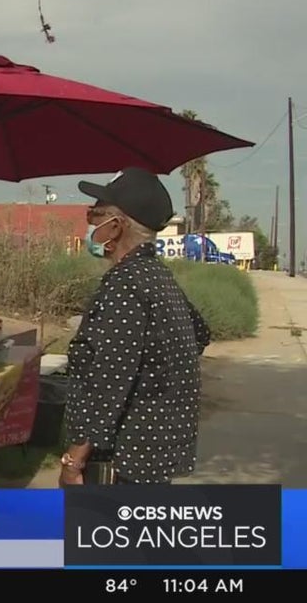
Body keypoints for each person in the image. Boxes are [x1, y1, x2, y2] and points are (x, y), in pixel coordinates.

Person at [60, 168, 211, 486]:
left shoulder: (126, 283)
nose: (89, 223)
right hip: (154, 449)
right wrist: (158, 380)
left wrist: (74, 460)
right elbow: (199, 333)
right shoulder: (157, 276)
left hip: (123, 456)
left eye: (94, 214)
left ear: (115, 226)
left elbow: (111, 378)